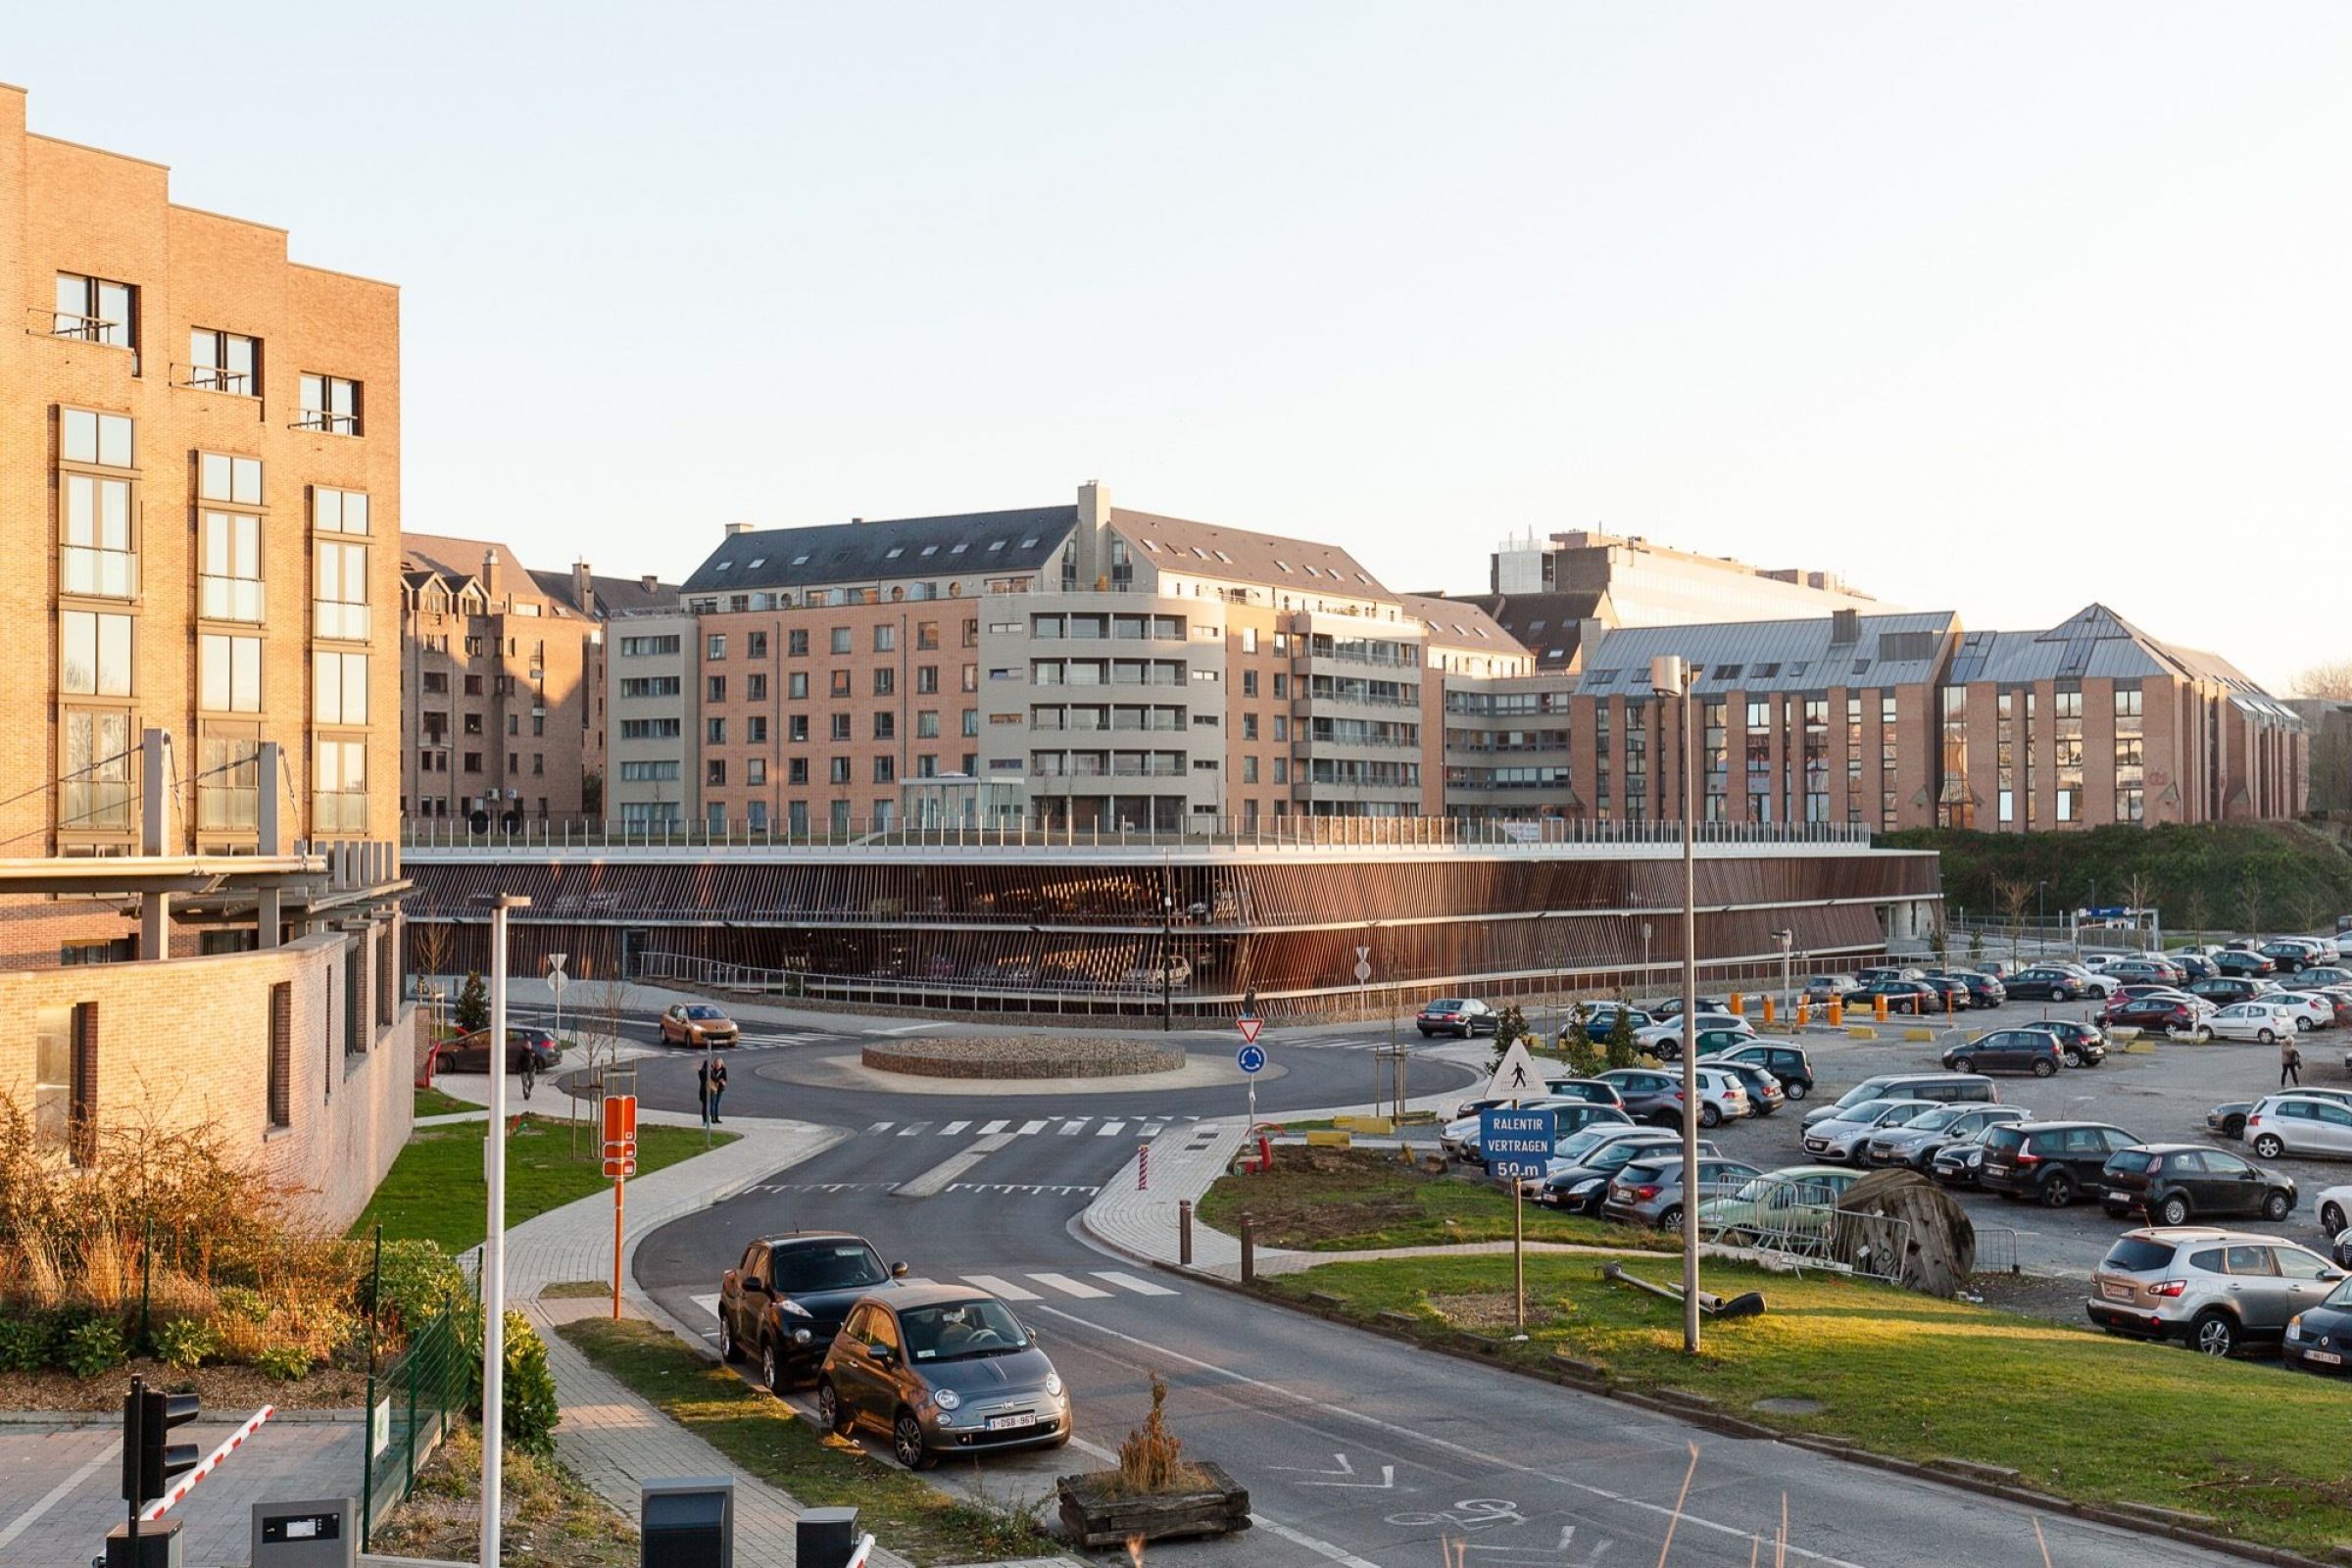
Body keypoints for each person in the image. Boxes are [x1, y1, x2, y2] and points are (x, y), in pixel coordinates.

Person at [699, 1055, 729, 1123]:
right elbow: (714, 1078)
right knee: (712, 1103)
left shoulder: (723, 1069)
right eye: (717, 1062)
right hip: (712, 1089)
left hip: (719, 1088)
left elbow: (725, 1079)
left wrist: (721, 1081)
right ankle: (712, 1118)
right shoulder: (711, 1070)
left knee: (716, 1104)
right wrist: (719, 1080)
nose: (718, 1064)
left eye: (720, 1063)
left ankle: (715, 1118)